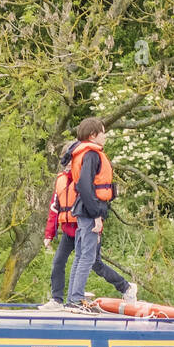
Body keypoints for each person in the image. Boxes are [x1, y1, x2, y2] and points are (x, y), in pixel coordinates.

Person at [40, 117, 136, 311]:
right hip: (88, 211)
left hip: (81, 212)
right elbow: (85, 186)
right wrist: (96, 215)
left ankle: (71, 299)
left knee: (83, 257)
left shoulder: (84, 154)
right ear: (93, 135)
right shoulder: (91, 155)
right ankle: (75, 300)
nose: (106, 136)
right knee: (87, 257)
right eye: (103, 132)